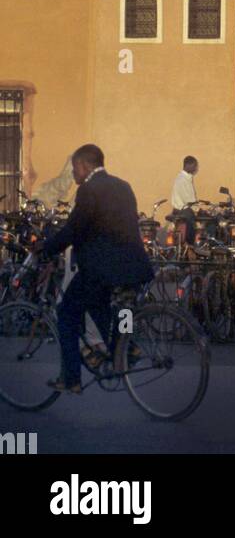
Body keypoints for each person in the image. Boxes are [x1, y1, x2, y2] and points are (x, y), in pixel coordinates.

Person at [39, 143, 153, 393]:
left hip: (103, 270)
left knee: (66, 314)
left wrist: (47, 249)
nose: (74, 175)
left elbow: (74, 228)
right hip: (133, 266)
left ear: (83, 165)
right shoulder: (123, 186)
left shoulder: (89, 190)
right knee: (120, 310)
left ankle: (71, 379)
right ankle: (124, 348)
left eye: (74, 170)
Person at [170, 155, 199, 246]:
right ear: (188, 165)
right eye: (194, 165)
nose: (196, 168)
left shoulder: (186, 178)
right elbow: (188, 200)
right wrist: (199, 209)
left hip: (183, 210)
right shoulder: (182, 180)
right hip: (184, 211)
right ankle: (192, 246)